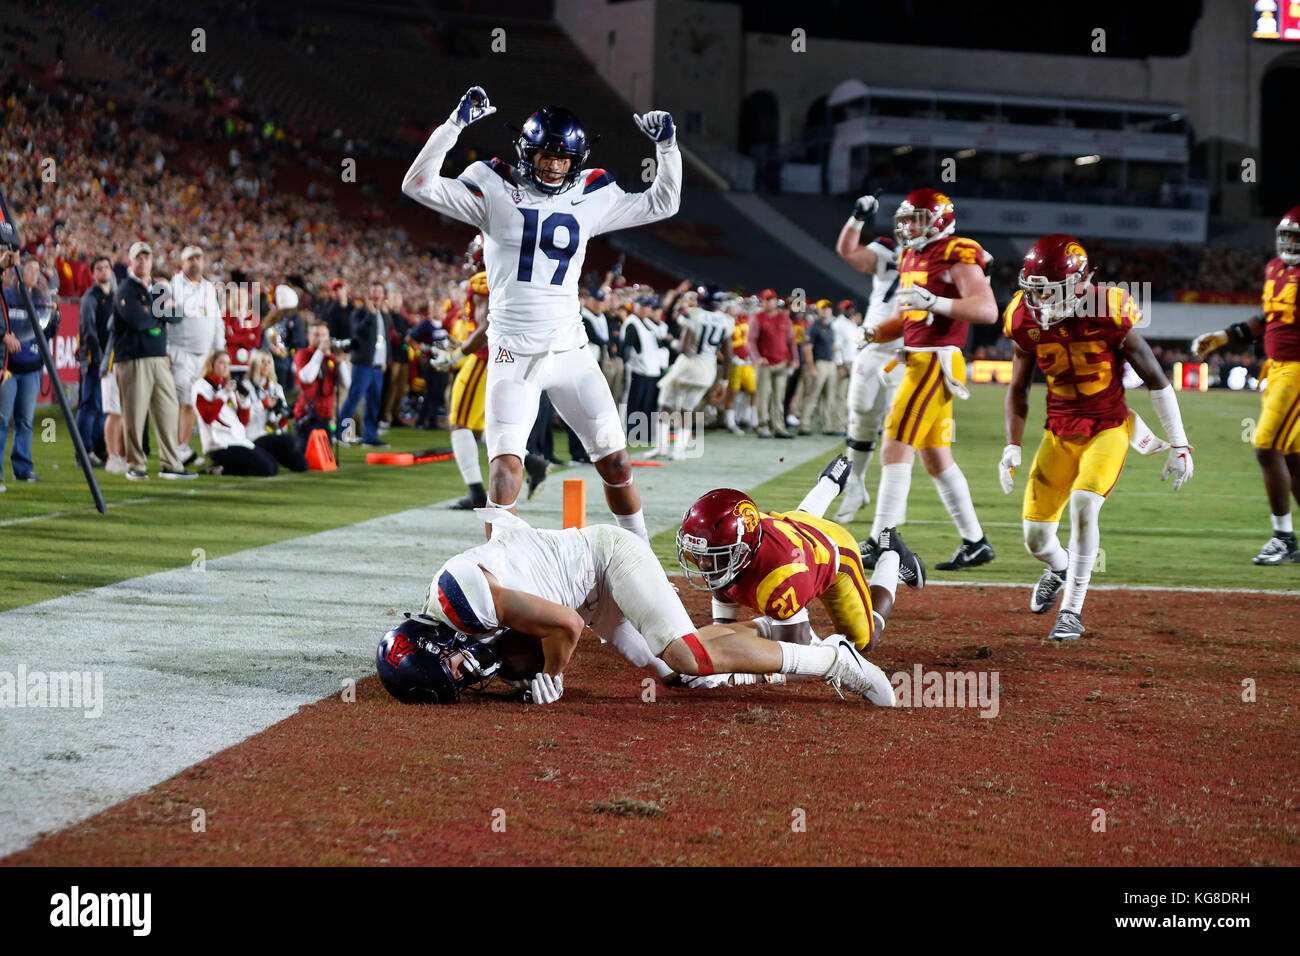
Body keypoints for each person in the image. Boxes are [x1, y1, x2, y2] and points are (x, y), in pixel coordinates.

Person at [401, 87, 681, 541]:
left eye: (564, 158)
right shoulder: (493, 186)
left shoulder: (594, 193)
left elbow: (663, 202)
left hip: (570, 349)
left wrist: (667, 148)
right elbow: (417, 184)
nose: (554, 165)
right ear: (526, 152)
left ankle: (641, 553)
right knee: (506, 466)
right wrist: (453, 125)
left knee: (616, 460)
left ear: (577, 160)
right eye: (546, 155)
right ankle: (495, 569)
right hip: (513, 352)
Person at [378, 506, 896, 706]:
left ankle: (834, 661)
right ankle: (766, 633)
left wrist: (553, 675)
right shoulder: (449, 607)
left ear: (438, 638)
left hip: (606, 560)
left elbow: (563, 627)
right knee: (688, 677)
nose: (463, 670)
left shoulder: (460, 600)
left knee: (686, 656)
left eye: (451, 664)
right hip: (585, 591)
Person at [1001, 235, 1192, 641]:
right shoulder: (1024, 318)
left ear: (1079, 284)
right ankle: (1059, 566)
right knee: (1036, 539)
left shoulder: (1108, 309)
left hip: (1108, 426)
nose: (1040, 302)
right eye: (1034, 292)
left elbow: (1156, 378)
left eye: (1049, 292)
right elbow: (1018, 388)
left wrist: (1179, 443)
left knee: (1084, 505)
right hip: (1059, 432)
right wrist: (1012, 445)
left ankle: (1071, 610)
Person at [865, 189, 998, 570]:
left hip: (935, 363)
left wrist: (936, 303)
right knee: (936, 458)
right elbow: (904, 317)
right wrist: (873, 332)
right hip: (917, 359)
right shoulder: (910, 254)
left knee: (893, 446)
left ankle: (880, 540)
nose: (908, 226)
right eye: (905, 219)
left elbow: (987, 309)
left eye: (917, 218)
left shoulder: (958, 251)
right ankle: (976, 542)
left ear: (938, 219)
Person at [677, 457, 923, 658]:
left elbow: (797, 656)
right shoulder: (735, 539)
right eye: (701, 555)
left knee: (863, 641)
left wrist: (738, 675)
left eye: (712, 557)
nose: (703, 565)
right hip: (791, 526)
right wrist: (721, 635)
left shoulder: (780, 579)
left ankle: (892, 554)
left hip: (834, 552)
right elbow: (723, 586)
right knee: (797, 517)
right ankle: (830, 482)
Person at [1192, 205, 1300, 565]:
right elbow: (1266, 319)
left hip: (1297, 372)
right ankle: (1289, 540)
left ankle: (1283, 537)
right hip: (1276, 369)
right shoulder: (1274, 269)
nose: (1288, 243)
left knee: (1266, 446)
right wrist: (1223, 337)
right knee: (1293, 458)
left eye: (1295, 236)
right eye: (1285, 235)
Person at [835, 194, 904, 524]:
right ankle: (856, 486)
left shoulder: (944, 259)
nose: (912, 226)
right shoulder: (887, 249)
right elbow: (849, 252)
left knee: (898, 425)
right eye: (908, 219)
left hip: (908, 351)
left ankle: (891, 509)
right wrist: (857, 217)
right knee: (860, 414)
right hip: (873, 345)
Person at [112, 241, 195, 481]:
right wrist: (160, 312)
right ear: (131, 261)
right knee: (135, 414)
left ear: (151, 261)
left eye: (146, 258)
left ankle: (171, 464)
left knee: (168, 410)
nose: (143, 262)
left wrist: (151, 311)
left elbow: (177, 316)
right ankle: (136, 465)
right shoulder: (126, 288)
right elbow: (138, 321)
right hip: (133, 359)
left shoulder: (158, 287)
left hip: (159, 358)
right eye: (138, 258)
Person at [429, 239, 494, 508]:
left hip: (484, 358)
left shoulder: (482, 280)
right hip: (505, 357)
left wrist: (458, 354)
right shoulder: (506, 277)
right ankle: (534, 462)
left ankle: (477, 492)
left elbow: (488, 325)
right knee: (489, 427)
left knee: (459, 422)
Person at [646, 285, 732, 459]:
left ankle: (661, 447)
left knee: (666, 403)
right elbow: (728, 356)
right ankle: (679, 450)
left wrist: (670, 343)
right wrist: (724, 382)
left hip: (688, 365)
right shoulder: (726, 320)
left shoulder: (693, 315)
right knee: (688, 409)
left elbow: (684, 348)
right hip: (708, 368)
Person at [1, 258, 60, 488]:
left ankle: (23, 468)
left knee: (25, 421)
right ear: (19, 271)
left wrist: (55, 316)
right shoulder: (7, 295)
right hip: (8, 366)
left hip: (32, 367)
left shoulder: (42, 299)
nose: (35, 274)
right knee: (3, 419)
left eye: (38, 271)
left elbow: (47, 333)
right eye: (31, 269)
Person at [168, 246, 225, 468]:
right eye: (190, 259)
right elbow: (165, 319)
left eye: (198, 258)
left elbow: (216, 321)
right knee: (179, 401)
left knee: (190, 403)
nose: (195, 262)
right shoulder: (174, 286)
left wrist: (219, 351)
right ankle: (173, 447)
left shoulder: (210, 288)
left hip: (204, 355)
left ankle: (182, 446)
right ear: (182, 263)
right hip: (180, 352)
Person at [192, 350, 279, 476]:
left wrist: (244, 401)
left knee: (273, 466)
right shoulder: (201, 386)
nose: (226, 366)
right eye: (222, 363)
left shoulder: (228, 386)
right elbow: (207, 417)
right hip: (219, 444)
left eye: (228, 363)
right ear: (211, 364)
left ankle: (221, 467)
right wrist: (223, 394)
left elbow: (243, 421)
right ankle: (220, 469)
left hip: (237, 440)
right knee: (266, 469)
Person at [338, 280, 390, 447]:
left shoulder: (384, 315)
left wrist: (386, 360)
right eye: (373, 292)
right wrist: (370, 315)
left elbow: (386, 339)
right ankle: (341, 434)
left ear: (383, 296)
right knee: (353, 399)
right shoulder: (360, 313)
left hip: (378, 366)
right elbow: (358, 332)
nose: (375, 295)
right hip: (363, 364)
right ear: (369, 295)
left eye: (378, 292)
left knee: (374, 402)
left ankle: (370, 437)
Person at [76, 255, 115, 466]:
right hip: (95, 360)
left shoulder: (114, 297)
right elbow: (88, 330)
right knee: (89, 405)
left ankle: (99, 449)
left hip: (109, 360)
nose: (103, 271)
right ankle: (84, 451)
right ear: (93, 274)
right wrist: (99, 359)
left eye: (106, 267)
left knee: (103, 407)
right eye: (98, 268)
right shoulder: (90, 297)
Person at [242, 350, 308, 472]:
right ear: (254, 364)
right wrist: (263, 404)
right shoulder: (245, 386)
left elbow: (280, 423)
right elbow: (243, 416)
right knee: (292, 441)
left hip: (272, 435)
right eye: (262, 361)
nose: (266, 365)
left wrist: (284, 418)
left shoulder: (277, 388)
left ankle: (271, 456)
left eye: (269, 362)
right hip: (253, 436)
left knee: (302, 465)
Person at [294, 320, 349, 437]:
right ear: (308, 336)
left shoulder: (331, 358)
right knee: (305, 453)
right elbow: (307, 378)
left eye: (324, 335)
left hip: (326, 415)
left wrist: (341, 362)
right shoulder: (302, 354)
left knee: (325, 454)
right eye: (316, 335)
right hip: (306, 414)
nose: (320, 339)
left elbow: (346, 384)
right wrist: (320, 352)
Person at [752, 289, 795, 439]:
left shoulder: (784, 318)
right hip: (765, 363)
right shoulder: (757, 318)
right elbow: (751, 341)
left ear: (776, 301)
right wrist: (757, 357)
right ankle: (762, 426)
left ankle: (778, 426)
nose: (770, 302)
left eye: (772, 299)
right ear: (762, 302)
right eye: (767, 300)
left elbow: (791, 341)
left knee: (779, 396)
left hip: (781, 362)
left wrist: (795, 358)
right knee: (763, 396)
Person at [797, 300, 839, 435]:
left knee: (829, 396)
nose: (825, 311)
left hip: (830, 363)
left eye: (828, 308)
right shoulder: (814, 327)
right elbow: (807, 348)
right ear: (818, 311)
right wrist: (811, 367)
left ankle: (827, 426)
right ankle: (804, 425)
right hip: (819, 363)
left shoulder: (831, 327)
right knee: (812, 395)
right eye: (823, 309)